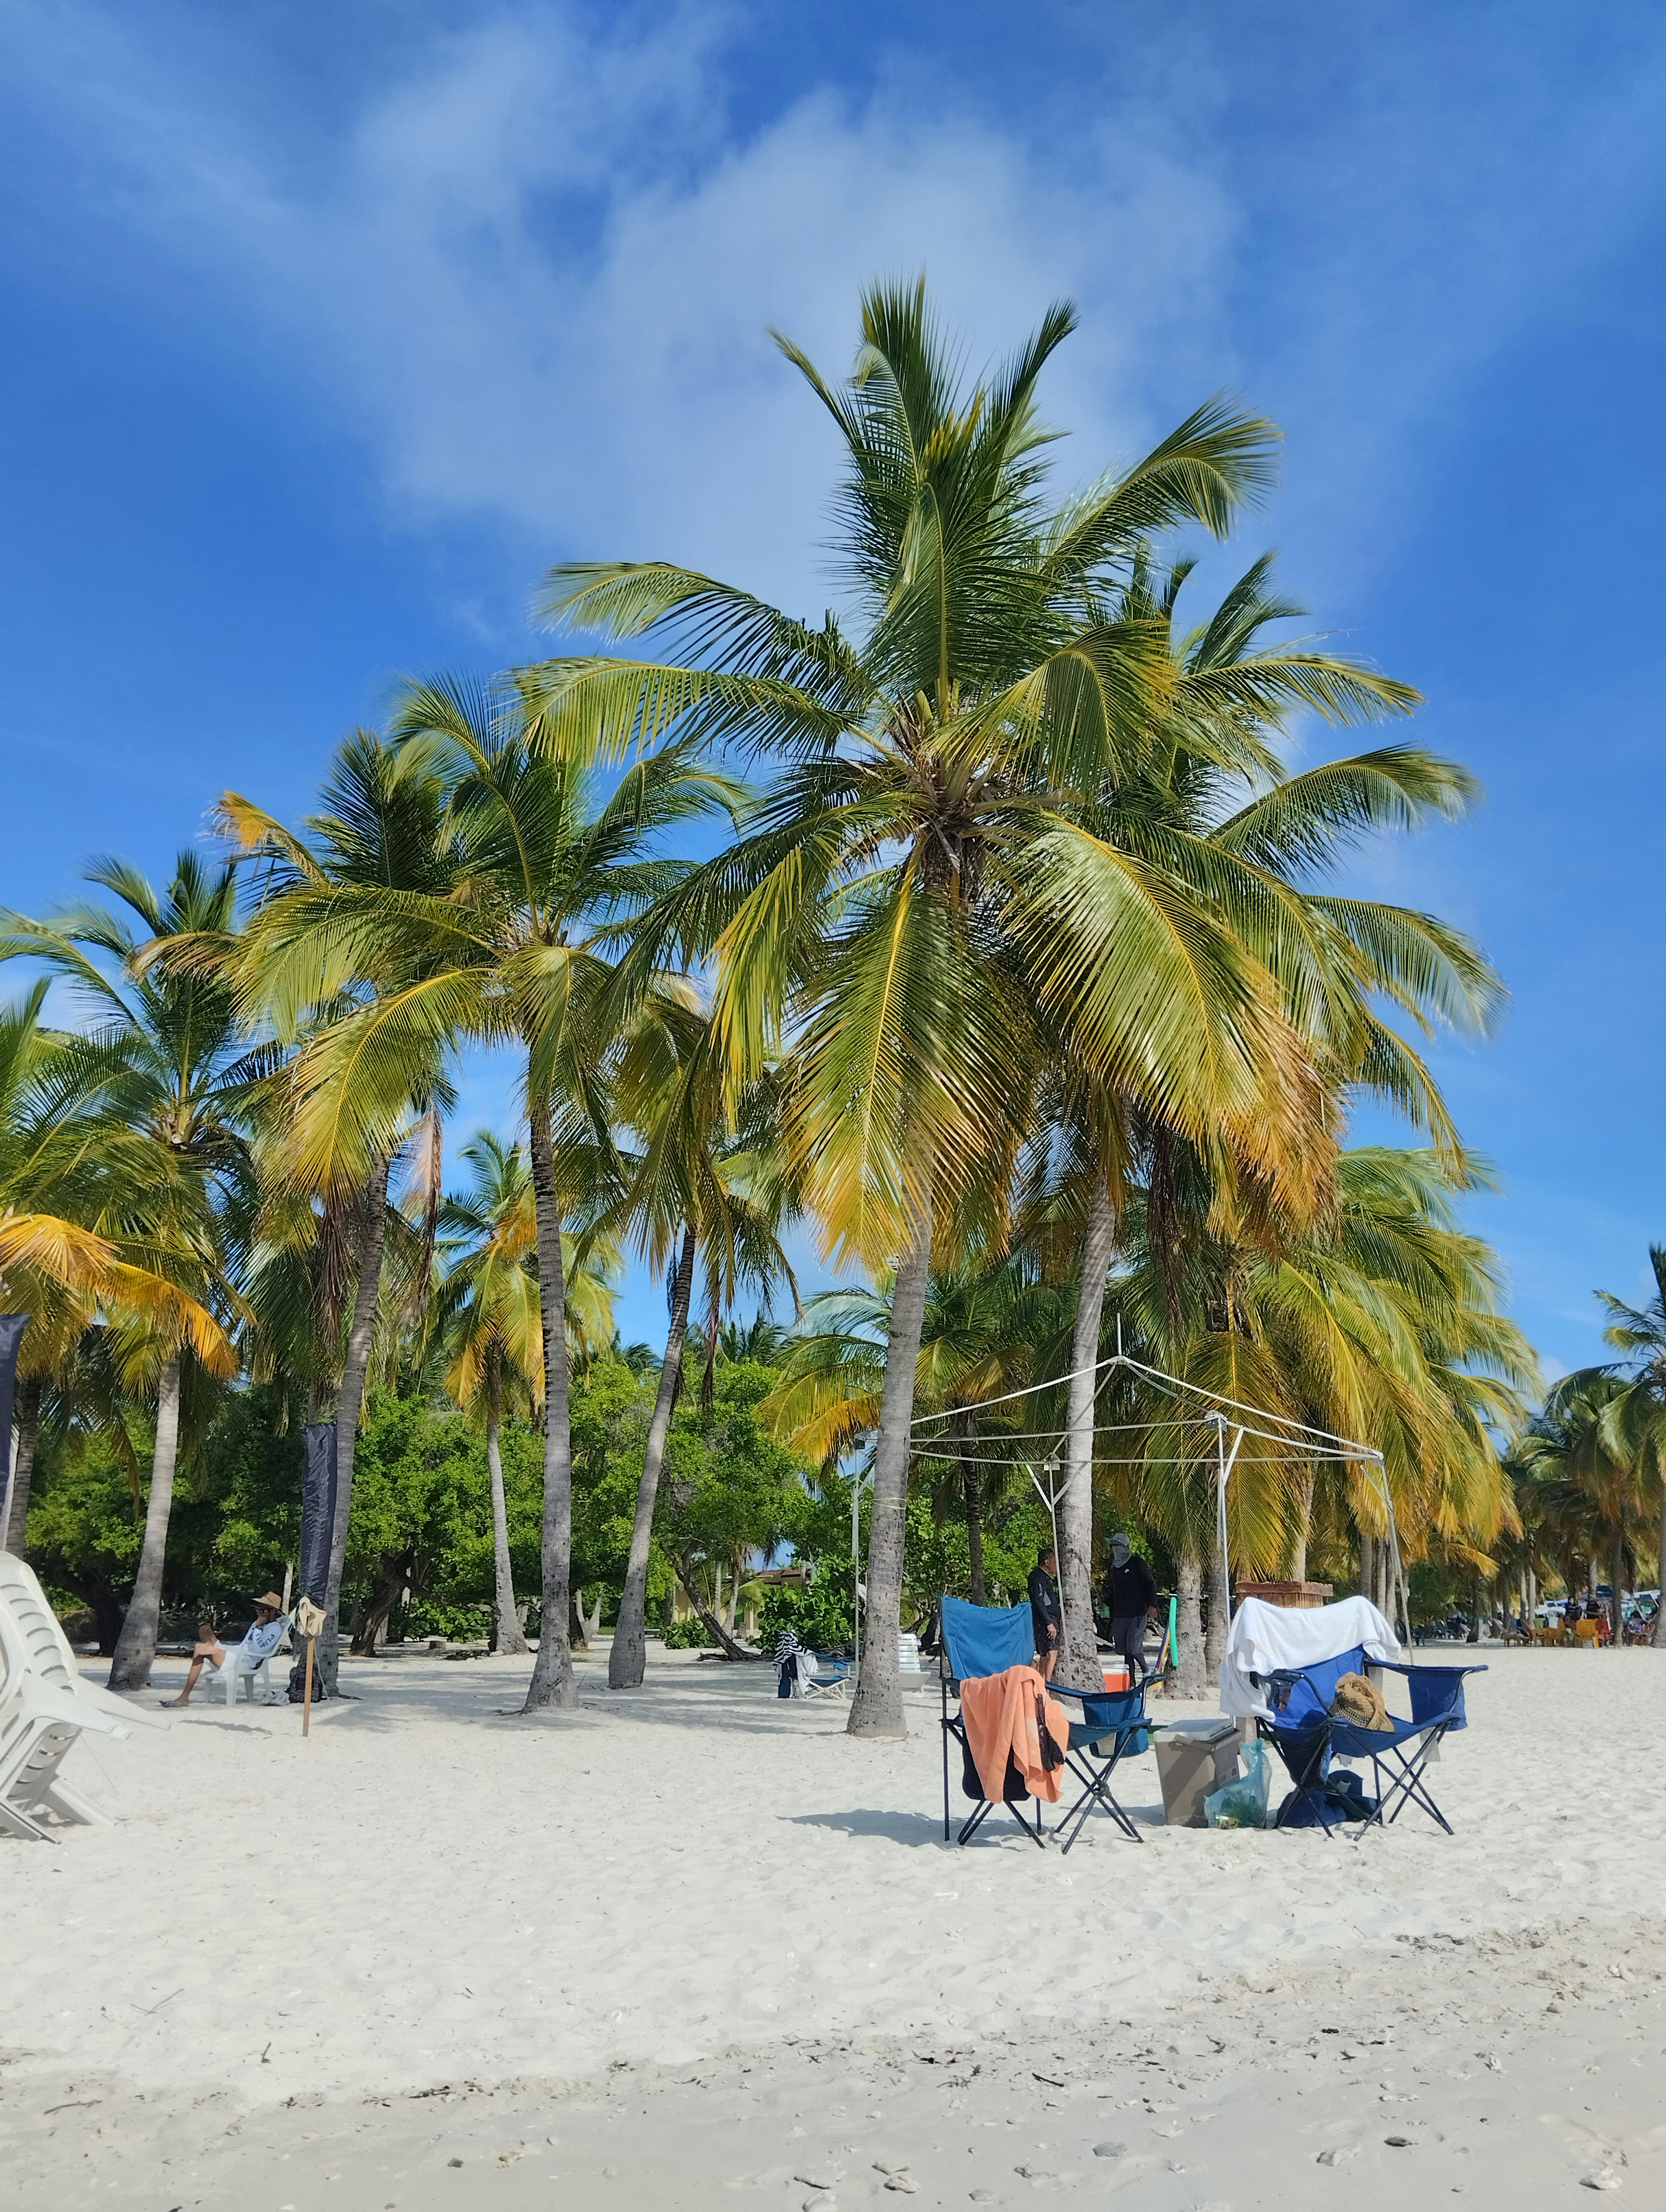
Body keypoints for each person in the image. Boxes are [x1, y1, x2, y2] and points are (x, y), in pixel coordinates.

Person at [164, 1593, 289, 1706]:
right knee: (205, 1629)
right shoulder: (260, 1624)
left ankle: (184, 1697)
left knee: (200, 1649)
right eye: (258, 1609)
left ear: (273, 1612)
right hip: (235, 1654)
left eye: (263, 1610)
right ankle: (209, 1652)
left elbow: (259, 1649)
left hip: (243, 1662)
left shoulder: (274, 1629)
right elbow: (245, 1644)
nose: (259, 1613)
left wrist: (257, 1627)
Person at [1102, 1532, 1157, 1676]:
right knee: (1124, 1650)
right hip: (1120, 1615)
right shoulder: (1113, 1568)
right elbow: (1114, 1590)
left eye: (1117, 1546)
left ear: (1124, 1547)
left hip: (1137, 1613)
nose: (1114, 1549)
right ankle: (1131, 1680)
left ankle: (1146, 1671)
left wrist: (1152, 1605)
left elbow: (1150, 1583)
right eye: (1112, 1546)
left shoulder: (1137, 1563)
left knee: (1133, 1648)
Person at [1027, 1545, 1061, 1682]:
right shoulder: (1038, 1577)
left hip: (1049, 1617)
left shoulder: (1046, 1578)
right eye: (1054, 1561)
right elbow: (1039, 1600)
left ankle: (1041, 1684)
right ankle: (1047, 1686)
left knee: (1045, 1655)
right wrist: (1049, 1622)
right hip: (1045, 1619)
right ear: (1047, 1562)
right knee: (1051, 1653)